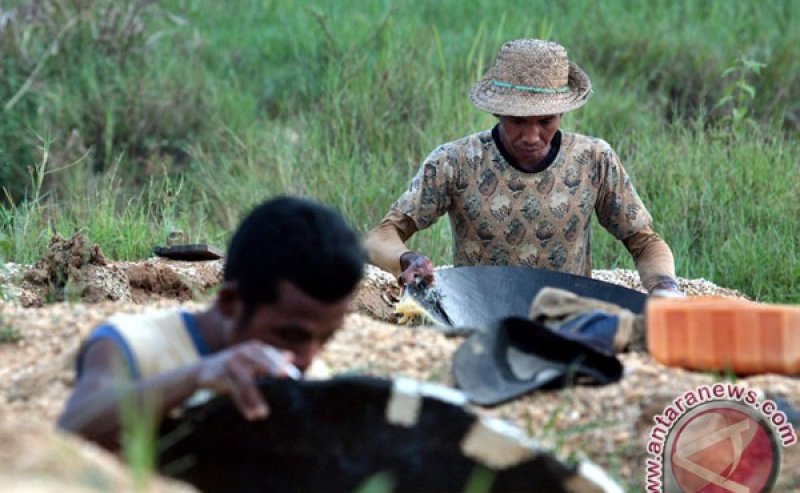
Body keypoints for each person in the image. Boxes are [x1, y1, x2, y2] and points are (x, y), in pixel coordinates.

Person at [365, 39, 681, 295]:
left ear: (561, 113)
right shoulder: (454, 162)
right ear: (498, 113)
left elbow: (645, 242)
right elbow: (381, 236)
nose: (532, 137)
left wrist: (665, 287)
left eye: (546, 122)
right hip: (481, 310)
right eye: (517, 122)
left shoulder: (593, 159)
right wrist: (407, 259)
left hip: (566, 312)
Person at [58, 196, 366, 450]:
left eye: (326, 337)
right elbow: (71, 429)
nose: (308, 358)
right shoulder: (133, 344)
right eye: (290, 334)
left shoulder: (307, 377)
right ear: (230, 302)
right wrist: (196, 375)